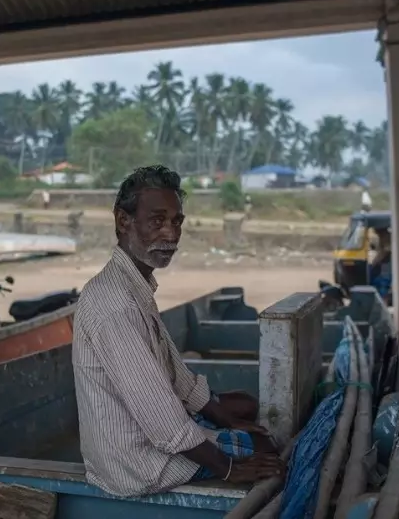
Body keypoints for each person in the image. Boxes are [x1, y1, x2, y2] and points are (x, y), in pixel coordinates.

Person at [72, 165, 284, 498]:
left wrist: (225, 419)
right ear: (122, 221)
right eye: (157, 221)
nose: (171, 234)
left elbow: (176, 377)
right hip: (138, 464)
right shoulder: (115, 306)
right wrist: (228, 468)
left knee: (244, 406)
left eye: (176, 222)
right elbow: (162, 419)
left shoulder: (134, 286)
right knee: (266, 446)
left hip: (152, 440)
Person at [369, 228, 392, 302]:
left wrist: (376, 262)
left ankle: (383, 301)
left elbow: (385, 252)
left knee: (383, 284)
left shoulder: (386, 238)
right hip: (383, 263)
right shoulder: (379, 238)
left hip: (386, 264)